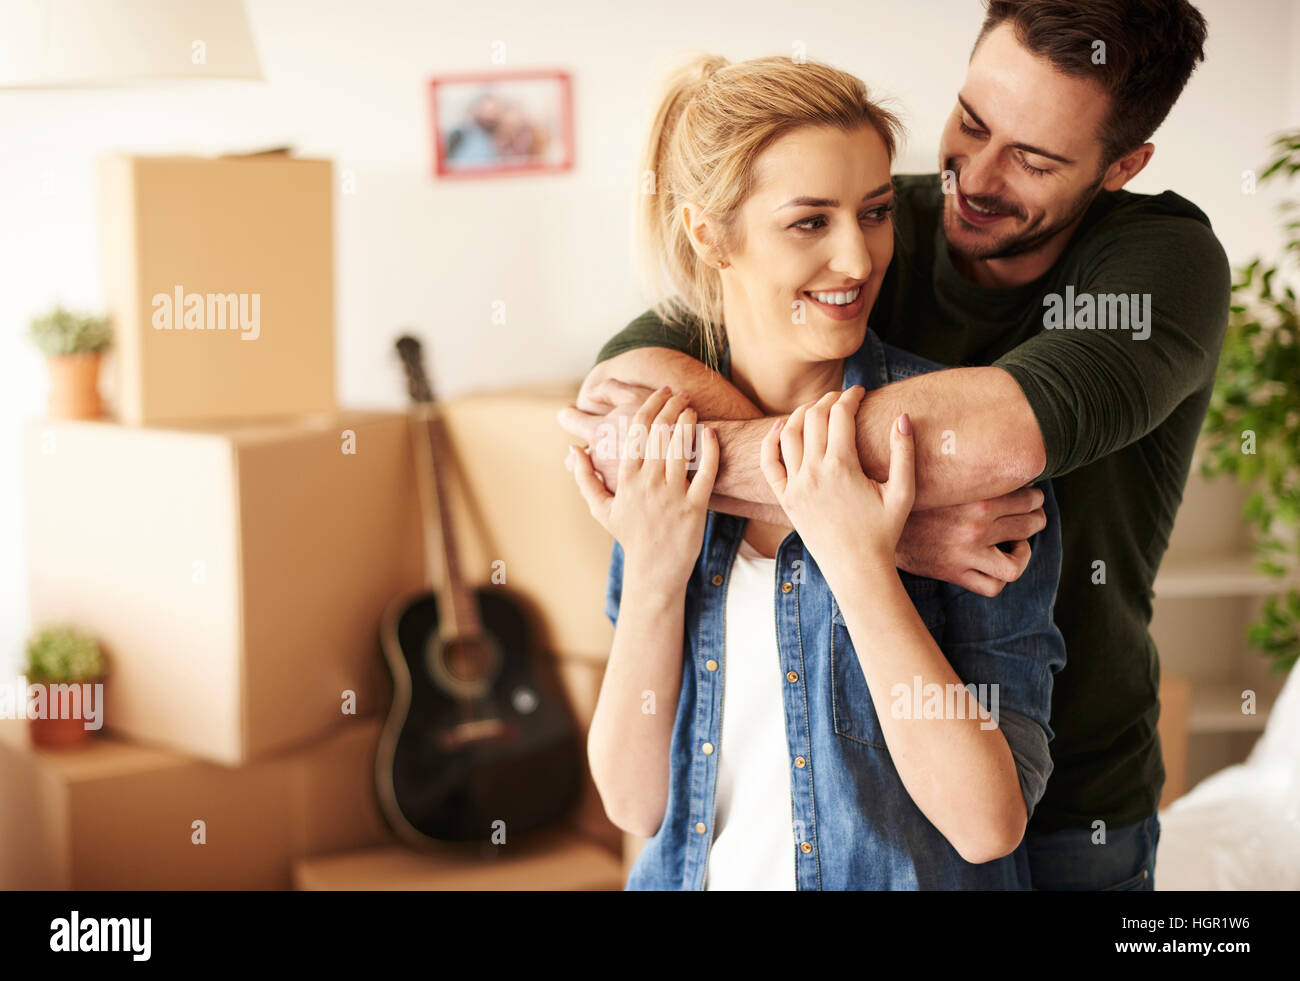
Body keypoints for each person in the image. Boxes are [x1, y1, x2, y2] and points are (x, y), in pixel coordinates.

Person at [560, 0, 1229, 890]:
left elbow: (999, 439)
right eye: (972, 123)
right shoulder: (880, 217)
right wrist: (863, 510)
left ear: (1123, 165)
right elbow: (619, 391)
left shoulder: (1163, 264)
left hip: (1076, 802)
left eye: (1033, 157)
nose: (978, 177)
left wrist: (840, 517)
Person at [567, 54, 1066, 890]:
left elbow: (989, 822)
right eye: (810, 222)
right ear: (708, 233)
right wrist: (656, 571)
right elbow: (632, 802)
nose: (858, 259)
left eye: (875, 213)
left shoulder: (955, 456)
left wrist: (861, 560)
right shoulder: (664, 443)